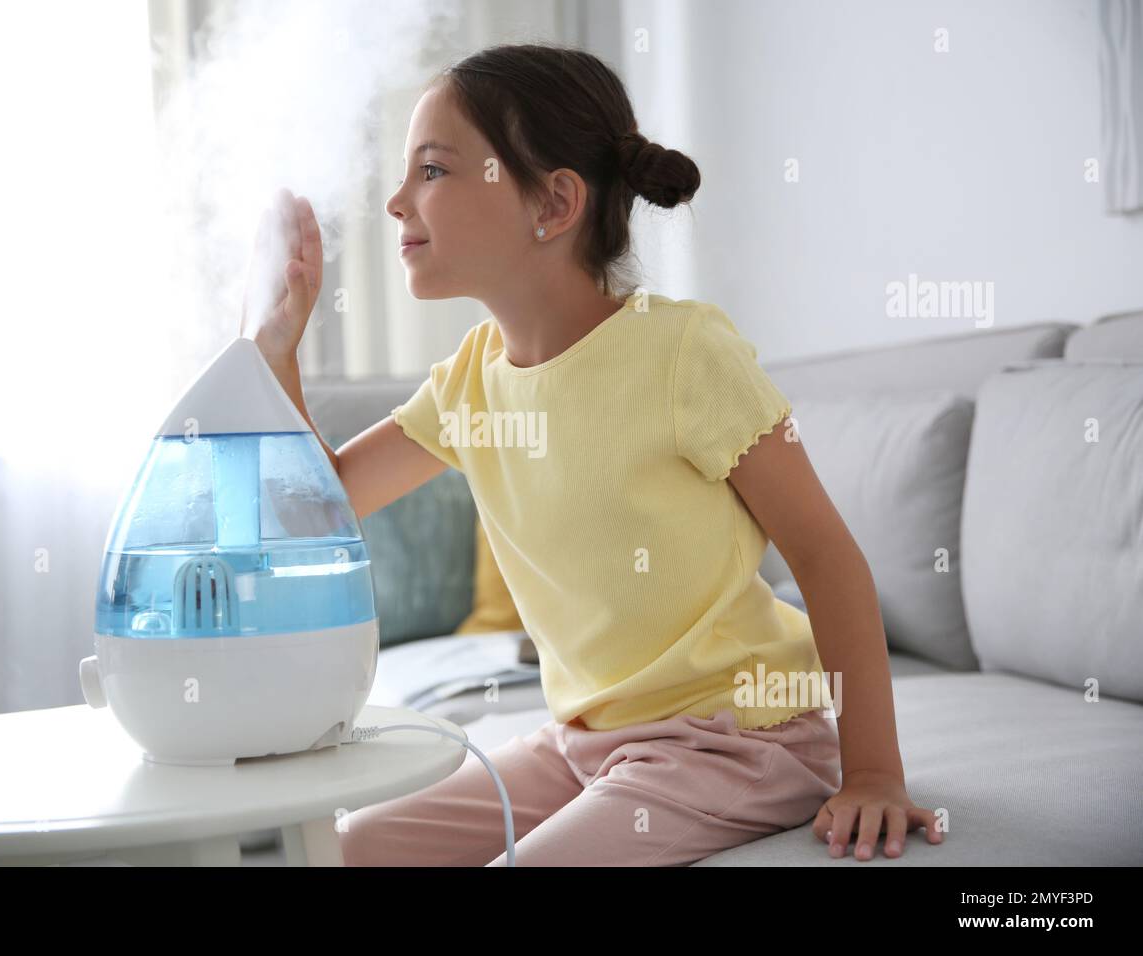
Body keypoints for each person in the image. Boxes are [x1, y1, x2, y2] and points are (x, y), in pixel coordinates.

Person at [246, 42, 945, 866]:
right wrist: (277, 349)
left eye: (433, 171)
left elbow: (828, 559)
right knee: (353, 850)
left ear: (553, 203)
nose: (397, 202)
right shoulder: (468, 382)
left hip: (735, 740)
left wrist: (870, 771)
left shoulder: (685, 352)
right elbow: (313, 509)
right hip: (584, 743)